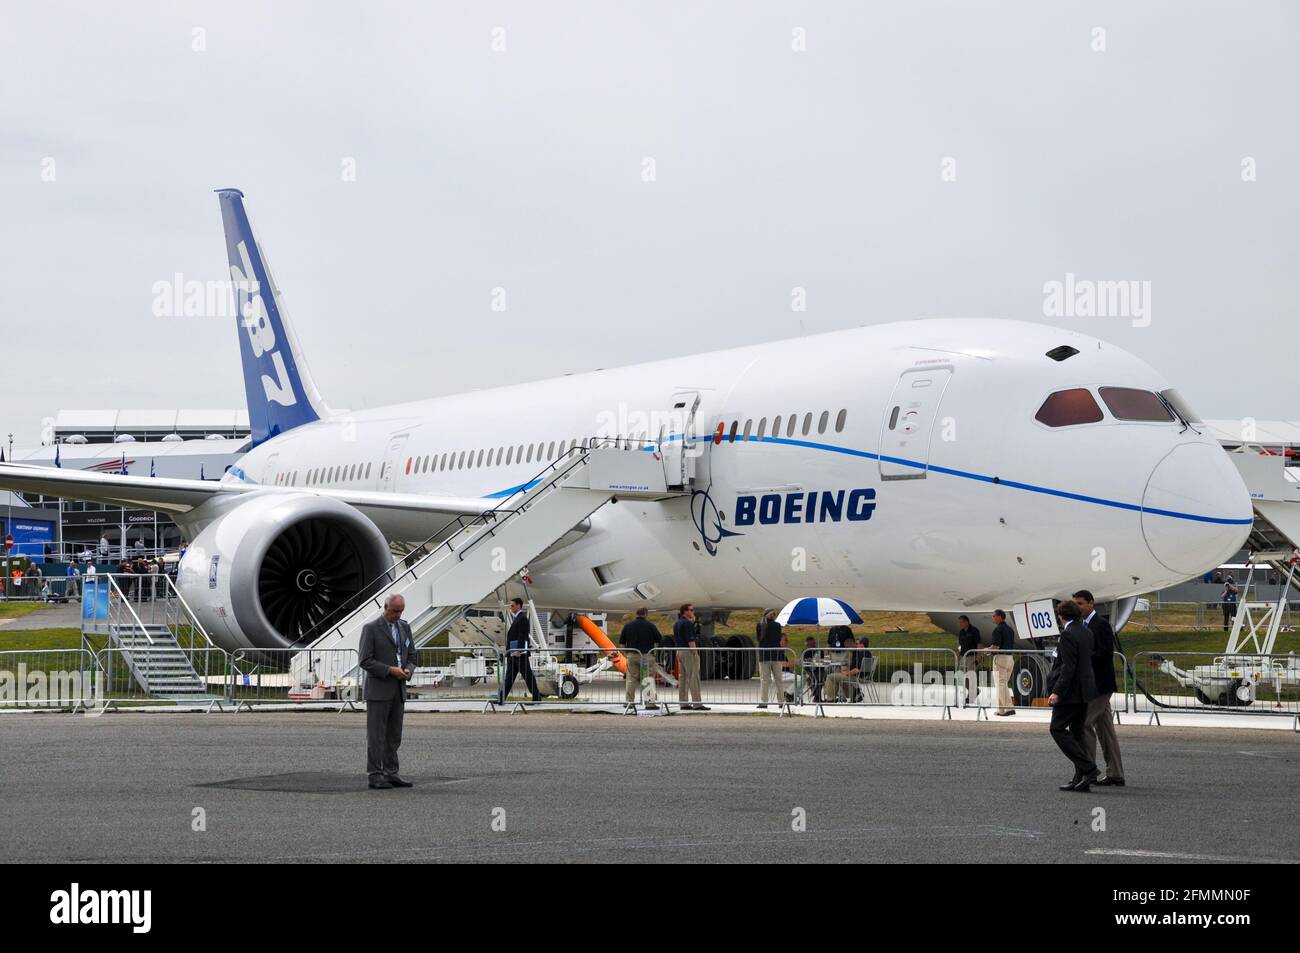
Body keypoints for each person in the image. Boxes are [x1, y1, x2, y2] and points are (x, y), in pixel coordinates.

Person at [357, 593, 417, 789]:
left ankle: (391, 772)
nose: (398, 615)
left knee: (393, 735)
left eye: (401, 611)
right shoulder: (371, 629)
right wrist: (389, 670)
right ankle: (375, 774)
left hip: (398, 689)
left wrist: (408, 670)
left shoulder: (405, 627)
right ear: (385, 607)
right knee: (376, 735)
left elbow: (413, 655)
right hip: (379, 690)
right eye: (395, 611)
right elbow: (365, 660)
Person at [1074, 590, 1125, 786]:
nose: (1078, 607)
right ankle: (1116, 774)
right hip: (1094, 684)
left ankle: (1088, 771)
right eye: (1076, 604)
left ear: (1091, 604)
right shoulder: (1083, 625)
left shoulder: (1101, 624)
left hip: (1100, 685)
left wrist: (1082, 658)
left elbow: (1105, 653)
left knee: (1083, 722)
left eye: (1080, 603)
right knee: (1105, 730)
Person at [1047, 600, 1099, 792]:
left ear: (1061, 616)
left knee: (1057, 729)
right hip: (1085, 690)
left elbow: (1068, 667)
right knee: (1077, 734)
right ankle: (1080, 777)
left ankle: (1089, 768)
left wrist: (1057, 692)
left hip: (1070, 692)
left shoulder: (1068, 634)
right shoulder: (1086, 631)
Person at [495, 597, 540, 704]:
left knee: (528, 677)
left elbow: (523, 635)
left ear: (519, 606)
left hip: (519, 654)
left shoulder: (522, 618)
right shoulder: (517, 618)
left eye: (512, 605)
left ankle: (537, 698)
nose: (511, 607)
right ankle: (501, 699)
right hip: (513, 654)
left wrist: (519, 650)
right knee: (509, 679)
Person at [618, 607, 661, 709]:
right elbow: (659, 639)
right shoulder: (650, 626)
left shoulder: (628, 626)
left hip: (632, 655)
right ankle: (649, 703)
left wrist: (627, 654)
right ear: (646, 614)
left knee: (630, 679)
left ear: (636, 614)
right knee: (647, 679)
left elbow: (622, 643)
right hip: (647, 655)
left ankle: (629, 702)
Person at [674, 604, 708, 710]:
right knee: (694, 677)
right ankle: (697, 703)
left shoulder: (677, 623)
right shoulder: (687, 624)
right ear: (685, 611)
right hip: (688, 652)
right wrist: (695, 653)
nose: (693, 612)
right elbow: (691, 640)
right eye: (691, 610)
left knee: (683, 678)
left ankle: (683, 702)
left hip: (679, 651)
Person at [988, 609, 1016, 715]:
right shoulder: (1010, 630)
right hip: (1010, 659)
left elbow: (995, 647)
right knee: (1002, 684)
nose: (993, 618)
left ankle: (1008, 708)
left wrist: (986, 651)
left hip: (1000, 659)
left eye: (994, 616)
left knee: (1000, 684)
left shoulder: (997, 630)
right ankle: (1001, 709)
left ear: (1000, 617)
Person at [757, 609, 786, 708]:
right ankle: (781, 701)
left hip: (764, 655)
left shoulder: (760, 625)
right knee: (779, 680)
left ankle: (764, 702)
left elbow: (758, 639)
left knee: (765, 680)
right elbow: (778, 639)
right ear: (773, 615)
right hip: (776, 655)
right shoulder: (777, 625)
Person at [822, 636, 863, 702]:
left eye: (857, 643)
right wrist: (847, 663)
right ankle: (837, 697)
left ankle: (831, 699)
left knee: (830, 677)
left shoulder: (861, 653)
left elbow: (857, 670)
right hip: (852, 676)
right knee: (835, 677)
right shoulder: (858, 653)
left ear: (862, 644)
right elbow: (854, 666)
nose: (855, 645)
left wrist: (847, 673)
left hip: (853, 677)